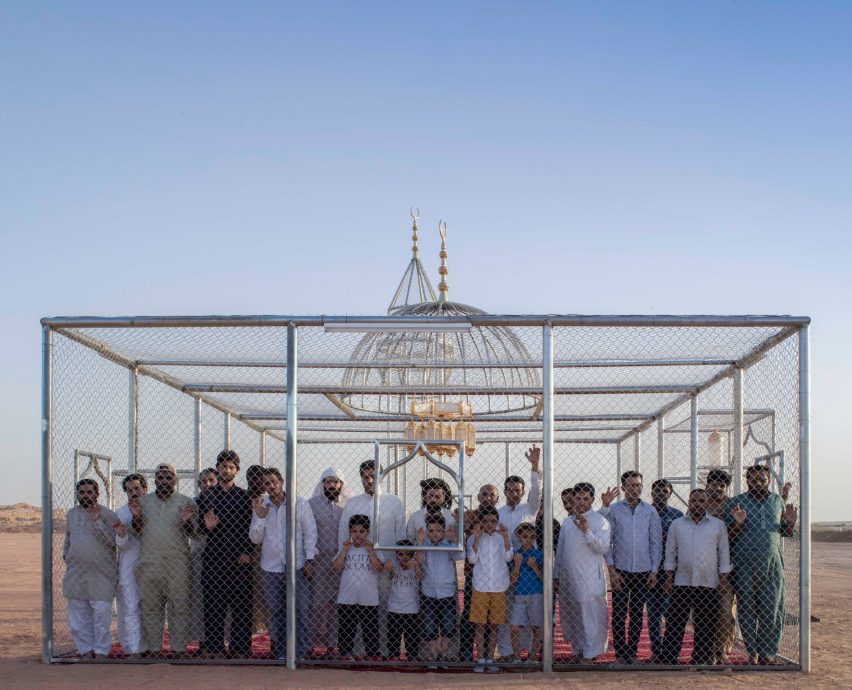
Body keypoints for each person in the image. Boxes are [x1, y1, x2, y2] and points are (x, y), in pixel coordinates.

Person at [726, 465, 798, 665]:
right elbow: (727, 536)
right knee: (747, 608)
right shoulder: (736, 503)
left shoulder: (776, 501)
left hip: (772, 565)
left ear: (768, 480)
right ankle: (752, 652)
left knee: (772, 608)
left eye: (762, 479)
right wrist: (737, 523)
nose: (758, 483)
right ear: (747, 480)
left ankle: (768, 653)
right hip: (744, 565)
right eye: (753, 479)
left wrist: (791, 523)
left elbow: (783, 530)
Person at [337, 460, 406, 656]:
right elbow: (343, 534)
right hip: (357, 567)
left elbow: (400, 534)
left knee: (384, 607)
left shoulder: (394, 502)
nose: (369, 480)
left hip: (386, 566)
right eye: (365, 476)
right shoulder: (353, 502)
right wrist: (342, 557)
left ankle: (383, 650)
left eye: (373, 476)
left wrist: (394, 559)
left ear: (382, 477)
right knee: (358, 610)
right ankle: (357, 650)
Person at [249, 467, 317, 660]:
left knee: (301, 611)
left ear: (281, 481)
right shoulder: (261, 506)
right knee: (276, 612)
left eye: (273, 481)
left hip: (297, 566)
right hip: (271, 567)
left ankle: (301, 653)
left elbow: (310, 532)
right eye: (266, 483)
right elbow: (255, 539)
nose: (271, 486)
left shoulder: (299, 503)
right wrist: (260, 518)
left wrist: (310, 559)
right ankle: (282, 653)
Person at [130, 463, 197, 657]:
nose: (164, 481)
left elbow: (194, 534)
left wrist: (186, 522)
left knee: (179, 606)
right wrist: (136, 516)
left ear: (175, 480)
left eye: (168, 477)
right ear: (155, 480)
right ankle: (154, 649)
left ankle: (179, 649)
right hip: (150, 562)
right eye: (160, 477)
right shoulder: (144, 502)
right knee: (151, 607)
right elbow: (138, 530)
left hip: (177, 562)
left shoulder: (186, 502)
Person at [659, 488, 731, 665]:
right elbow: (670, 553)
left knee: (706, 622)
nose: (697, 504)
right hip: (682, 580)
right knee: (676, 621)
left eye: (701, 501)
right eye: (693, 501)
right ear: (689, 503)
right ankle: (669, 657)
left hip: (708, 581)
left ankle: (701, 658)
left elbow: (724, 553)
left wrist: (722, 580)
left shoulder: (717, 525)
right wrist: (668, 578)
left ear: (707, 504)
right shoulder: (677, 524)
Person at [196, 449, 254, 657]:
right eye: (223, 466)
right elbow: (198, 529)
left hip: (239, 559)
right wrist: (207, 526)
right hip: (214, 558)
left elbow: (251, 526)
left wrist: (247, 551)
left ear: (237, 470)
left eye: (231, 467)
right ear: (218, 468)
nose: (227, 470)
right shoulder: (206, 497)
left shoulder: (244, 497)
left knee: (241, 606)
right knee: (213, 605)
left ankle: (240, 649)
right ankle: (215, 648)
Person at [604, 470, 662, 664]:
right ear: (623, 488)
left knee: (637, 614)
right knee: (619, 614)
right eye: (630, 485)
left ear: (642, 487)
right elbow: (608, 542)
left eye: (637, 485)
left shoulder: (650, 511)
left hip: (643, 570)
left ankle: (632, 654)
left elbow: (656, 542)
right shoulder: (613, 510)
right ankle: (621, 655)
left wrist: (654, 571)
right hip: (620, 569)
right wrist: (612, 571)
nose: (634, 488)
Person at [554, 482, 611, 663]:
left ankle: (590, 654)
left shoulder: (600, 521)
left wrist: (586, 530)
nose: (581, 502)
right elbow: (561, 551)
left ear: (592, 499)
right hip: (569, 578)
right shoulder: (567, 522)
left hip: (589, 579)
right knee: (573, 614)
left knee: (590, 614)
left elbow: (602, 548)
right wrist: (556, 575)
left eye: (585, 498)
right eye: (578, 498)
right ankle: (579, 651)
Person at [62, 479, 119, 659]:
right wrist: (67, 555)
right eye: (82, 492)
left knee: (101, 613)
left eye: (89, 492)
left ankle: (101, 651)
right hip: (77, 572)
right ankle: (86, 650)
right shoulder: (72, 514)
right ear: (77, 494)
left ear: (97, 494)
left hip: (101, 573)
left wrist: (97, 522)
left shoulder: (108, 515)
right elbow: (68, 538)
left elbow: (114, 542)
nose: (85, 495)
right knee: (78, 616)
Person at [496, 445, 541, 658]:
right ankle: (507, 653)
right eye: (510, 490)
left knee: (530, 614)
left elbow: (538, 493)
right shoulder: (498, 514)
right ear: (504, 492)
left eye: (517, 490)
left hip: (529, 570)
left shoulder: (529, 509)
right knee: (507, 612)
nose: (513, 493)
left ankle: (529, 654)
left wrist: (534, 467)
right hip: (505, 568)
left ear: (523, 492)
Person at [307, 467, 351, 657]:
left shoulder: (349, 505)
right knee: (316, 603)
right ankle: (310, 644)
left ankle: (333, 645)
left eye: (336, 481)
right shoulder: (311, 504)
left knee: (337, 604)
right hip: (319, 561)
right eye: (328, 481)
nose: (332, 484)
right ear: (323, 483)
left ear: (341, 484)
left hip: (343, 561)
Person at [467, 506, 513, 673]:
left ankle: (490, 658)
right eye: (485, 521)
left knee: (494, 625)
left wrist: (506, 537)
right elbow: (472, 560)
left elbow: (508, 557)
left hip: (499, 585)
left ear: (497, 521)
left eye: (493, 521)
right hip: (480, 585)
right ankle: (480, 658)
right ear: (480, 522)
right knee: (480, 625)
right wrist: (477, 539)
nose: (489, 524)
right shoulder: (473, 538)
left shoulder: (502, 538)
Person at [333, 514, 384, 659]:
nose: (358, 535)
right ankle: (345, 654)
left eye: (362, 532)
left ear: (368, 532)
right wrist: (343, 551)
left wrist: (370, 552)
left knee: (370, 628)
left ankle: (372, 655)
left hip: (368, 597)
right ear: (350, 531)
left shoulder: (373, 548)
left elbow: (379, 568)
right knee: (346, 627)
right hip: (347, 596)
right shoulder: (345, 547)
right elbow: (336, 568)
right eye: (354, 531)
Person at [416, 515, 464, 665]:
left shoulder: (448, 545)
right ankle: (434, 653)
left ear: (443, 532)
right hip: (429, 592)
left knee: (448, 626)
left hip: (447, 592)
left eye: (438, 530)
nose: (434, 533)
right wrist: (420, 542)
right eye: (431, 530)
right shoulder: (425, 545)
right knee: (429, 626)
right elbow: (419, 560)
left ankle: (443, 654)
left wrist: (455, 540)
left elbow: (459, 556)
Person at [647, 478, 684, 662]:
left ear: (670, 493)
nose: (660, 494)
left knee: (670, 612)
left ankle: (669, 652)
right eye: (657, 491)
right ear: (651, 493)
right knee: (653, 612)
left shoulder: (677, 515)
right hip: (651, 570)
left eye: (664, 491)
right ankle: (656, 651)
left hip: (671, 570)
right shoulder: (645, 512)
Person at [114, 473, 148, 656]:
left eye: (137, 488)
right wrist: (121, 534)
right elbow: (122, 545)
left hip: (152, 567)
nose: (133, 493)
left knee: (151, 608)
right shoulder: (121, 513)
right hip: (129, 567)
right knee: (130, 607)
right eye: (129, 490)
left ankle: (148, 647)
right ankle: (133, 648)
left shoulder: (154, 509)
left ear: (145, 488)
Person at [704, 468, 736, 663]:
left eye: (721, 485)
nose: (716, 488)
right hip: (703, 565)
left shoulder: (732, 506)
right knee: (703, 610)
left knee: (725, 611)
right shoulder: (700, 504)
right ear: (707, 485)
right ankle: (706, 649)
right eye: (713, 484)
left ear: (726, 488)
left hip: (728, 566)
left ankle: (721, 649)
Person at [189, 468, 217, 646]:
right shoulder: (193, 504)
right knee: (199, 599)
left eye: (211, 480)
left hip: (222, 556)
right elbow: (191, 532)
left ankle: (221, 641)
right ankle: (202, 642)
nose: (206, 484)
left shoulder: (225, 501)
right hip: (200, 555)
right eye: (203, 481)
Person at [509, 523, 544, 663]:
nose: (528, 540)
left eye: (532, 537)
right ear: (519, 537)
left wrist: (535, 567)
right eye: (524, 537)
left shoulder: (539, 554)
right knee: (515, 627)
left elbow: (544, 578)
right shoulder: (516, 555)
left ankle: (532, 657)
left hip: (536, 594)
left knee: (536, 627)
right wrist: (517, 565)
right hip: (519, 594)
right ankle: (517, 657)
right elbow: (512, 580)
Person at [384, 540, 422, 661]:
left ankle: (412, 655)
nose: (404, 557)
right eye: (400, 554)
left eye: (407, 554)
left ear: (412, 554)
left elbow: (420, 576)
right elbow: (386, 567)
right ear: (396, 555)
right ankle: (393, 655)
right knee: (393, 635)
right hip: (394, 607)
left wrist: (415, 566)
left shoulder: (415, 565)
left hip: (411, 608)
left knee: (412, 636)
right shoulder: (394, 563)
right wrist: (389, 562)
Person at [246, 464, 269, 637]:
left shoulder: (269, 500)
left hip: (265, 552)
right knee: (248, 596)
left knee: (265, 595)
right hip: (245, 553)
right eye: (252, 478)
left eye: (259, 478)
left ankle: (270, 636)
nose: (255, 482)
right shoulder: (241, 498)